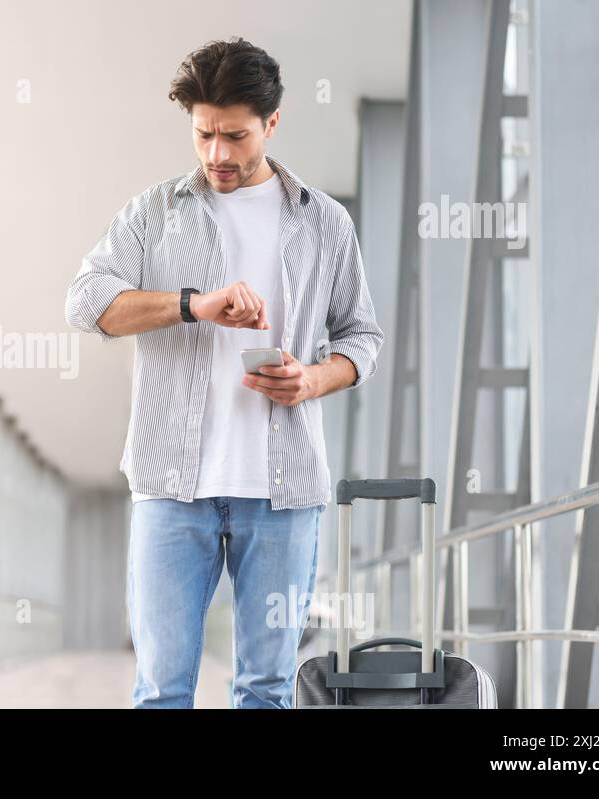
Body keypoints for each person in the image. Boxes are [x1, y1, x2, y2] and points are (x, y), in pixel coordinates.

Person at [64, 37, 385, 708]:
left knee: (266, 688)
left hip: (284, 493)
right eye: (204, 134)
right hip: (169, 489)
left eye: (234, 136)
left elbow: (362, 336)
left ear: (273, 122)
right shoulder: (153, 214)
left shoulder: (325, 223)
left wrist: (312, 380)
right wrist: (192, 304)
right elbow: (86, 304)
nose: (217, 154)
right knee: (160, 689)